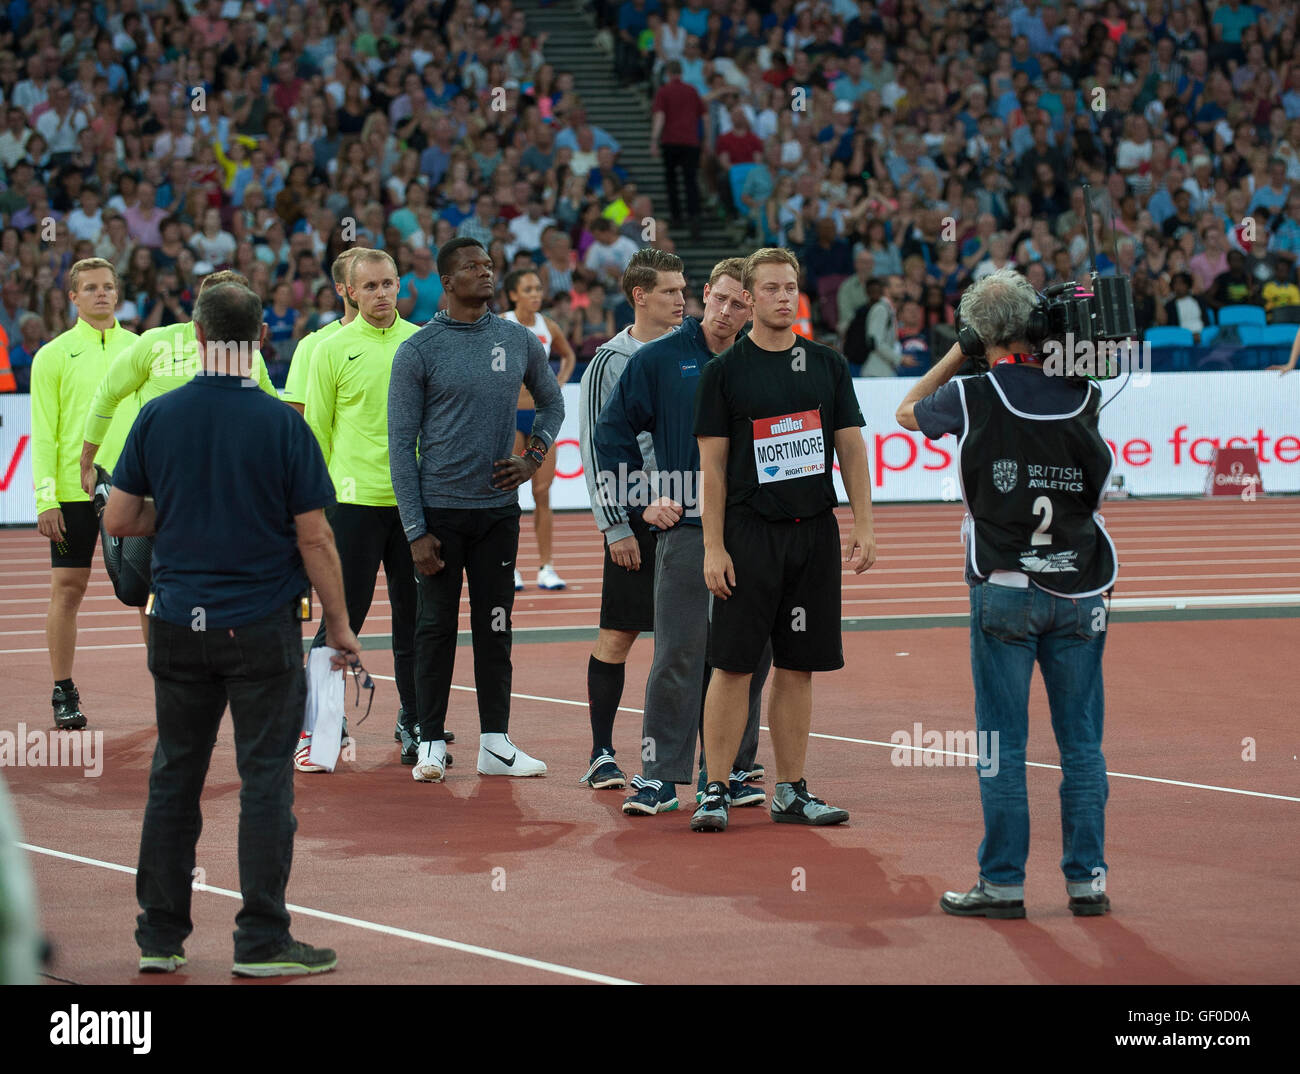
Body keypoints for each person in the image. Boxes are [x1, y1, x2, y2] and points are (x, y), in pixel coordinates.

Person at [103, 280, 358, 977]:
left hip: (178, 625)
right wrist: (338, 625)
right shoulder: (282, 424)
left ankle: (159, 936)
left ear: (196, 334)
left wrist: (181, 516)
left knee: (174, 779)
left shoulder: (157, 415)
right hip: (261, 626)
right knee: (265, 782)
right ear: (261, 341)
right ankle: (261, 940)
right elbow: (316, 540)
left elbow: (120, 520)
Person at [895, 267, 1117, 919]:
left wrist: (960, 349)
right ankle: (1087, 881)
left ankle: (1003, 883)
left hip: (1004, 587)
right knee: (1081, 743)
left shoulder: (972, 394)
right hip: (1081, 586)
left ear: (979, 332)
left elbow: (906, 411)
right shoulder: (1084, 393)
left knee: (1003, 743)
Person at [691, 247, 877, 833]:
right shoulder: (724, 373)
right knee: (733, 666)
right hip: (749, 538)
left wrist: (864, 524)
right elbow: (713, 470)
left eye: (789, 287)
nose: (781, 296)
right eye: (769, 288)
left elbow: (850, 449)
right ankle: (715, 788)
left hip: (812, 536)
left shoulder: (827, 365)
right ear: (748, 298)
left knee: (799, 666)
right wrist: (713, 547)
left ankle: (792, 791)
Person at [593, 258, 770, 814]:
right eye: (717, 298)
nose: (725, 311)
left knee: (747, 657)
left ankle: (731, 770)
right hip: (688, 530)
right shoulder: (659, 359)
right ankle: (660, 776)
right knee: (677, 655)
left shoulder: (764, 361)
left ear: (753, 308)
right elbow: (610, 433)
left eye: (739, 303)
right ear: (705, 297)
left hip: (753, 532)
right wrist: (642, 499)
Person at [388, 237, 564, 783]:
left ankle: (496, 743)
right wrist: (415, 529)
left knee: (496, 627)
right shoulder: (419, 349)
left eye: (489, 264)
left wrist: (532, 458)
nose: (485, 273)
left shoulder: (516, 339)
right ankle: (431, 742)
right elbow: (399, 444)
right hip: (439, 515)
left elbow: (553, 401)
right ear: (446, 281)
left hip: (497, 514)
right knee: (434, 628)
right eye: (472, 266)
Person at [302, 249, 423, 769]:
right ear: (349, 292)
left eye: (388, 284)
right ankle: (320, 729)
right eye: (369, 286)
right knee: (338, 616)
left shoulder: (422, 341)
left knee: (418, 621)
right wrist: (312, 509)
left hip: (414, 507)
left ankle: (417, 721)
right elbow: (316, 434)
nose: (381, 295)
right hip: (351, 505)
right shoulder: (331, 349)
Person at [577, 247, 685, 794]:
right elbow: (598, 449)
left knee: (690, 637)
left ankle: (705, 761)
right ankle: (600, 753)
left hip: (687, 513)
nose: (681, 300)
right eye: (670, 291)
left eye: (685, 290)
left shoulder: (694, 352)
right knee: (619, 634)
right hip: (636, 518)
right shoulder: (609, 361)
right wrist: (616, 524)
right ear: (640, 296)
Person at [29, 257, 139, 727]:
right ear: (71, 297)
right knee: (68, 588)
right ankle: (63, 690)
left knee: (148, 590)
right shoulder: (52, 355)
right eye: (91, 288)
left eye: (108, 287)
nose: (101, 294)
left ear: (118, 293)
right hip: (73, 493)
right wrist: (45, 498)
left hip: (132, 488)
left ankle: (170, 695)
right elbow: (44, 432)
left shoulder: (141, 349)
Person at [502, 267, 577, 592]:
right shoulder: (501, 323)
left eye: (538, 289)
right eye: (528, 289)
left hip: (541, 418)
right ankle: (509, 567)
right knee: (506, 496)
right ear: (514, 294)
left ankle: (546, 567)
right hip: (507, 418)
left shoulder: (548, 326)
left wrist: (558, 382)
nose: (536, 294)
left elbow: (569, 355)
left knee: (542, 494)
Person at [281, 248, 364, 415]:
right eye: (356, 275)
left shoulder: (409, 339)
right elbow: (298, 413)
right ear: (340, 288)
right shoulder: (311, 345)